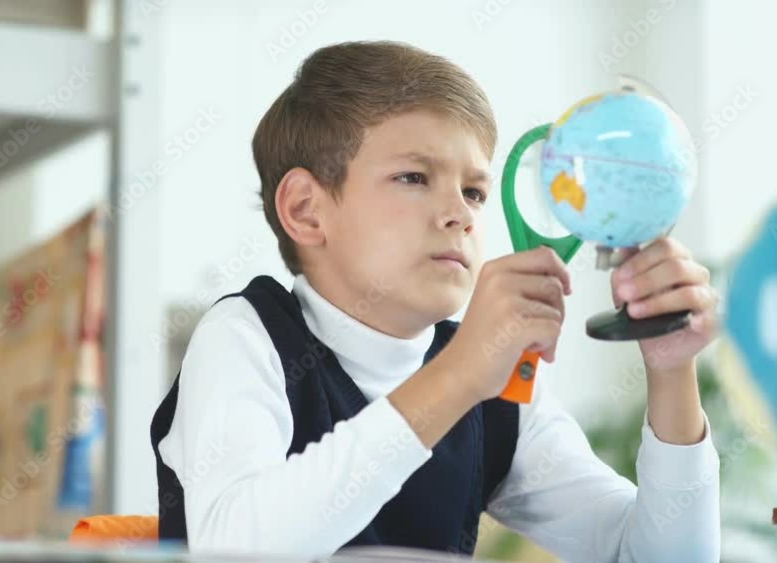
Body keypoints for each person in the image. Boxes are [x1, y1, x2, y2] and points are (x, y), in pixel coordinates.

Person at [150, 40, 722, 562]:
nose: (461, 214)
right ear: (305, 209)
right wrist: (458, 378)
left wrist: (672, 371)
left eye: (473, 191)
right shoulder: (242, 336)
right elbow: (235, 549)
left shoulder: (501, 388)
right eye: (414, 178)